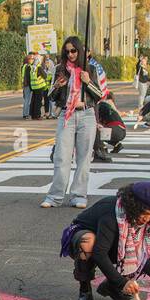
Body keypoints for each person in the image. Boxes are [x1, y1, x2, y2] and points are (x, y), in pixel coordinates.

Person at [59, 182, 150, 300]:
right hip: (84, 237)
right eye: (144, 213)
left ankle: (111, 287)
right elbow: (99, 253)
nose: (147, 219)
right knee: (88, 243)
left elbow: (139, 252)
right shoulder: (111, 213)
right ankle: (85, 290)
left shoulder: (145, 222)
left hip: (113, 242)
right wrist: (122, 282)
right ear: (134, 206)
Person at [40, 36, 101, 209]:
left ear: (79, 51)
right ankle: (55, 196)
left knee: (84, 158)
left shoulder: (90, 69)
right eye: (67, 51)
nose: (70, 54)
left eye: (73, 51)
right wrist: (58, 86)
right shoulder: (60, 69)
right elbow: (50, 96)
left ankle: (79, 195)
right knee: (61, 156)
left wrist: (87, 82)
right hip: (66, 115)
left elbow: (99, 95)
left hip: (86, 114)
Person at [94, 93, 126, 161]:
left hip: (114, 129)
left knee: (94, 132)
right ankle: (117, 145)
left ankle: (102, 150)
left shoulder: (100, 106)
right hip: (121, 130)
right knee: (100, 131)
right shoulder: (106, 105)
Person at [29, 53, 51, 119]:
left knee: (34, 101)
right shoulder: (39, 67)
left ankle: (33, 115)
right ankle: (37, 115)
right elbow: (45, 76)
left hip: (34, 87)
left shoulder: (33, 67)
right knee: (38, 102)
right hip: (39, 86)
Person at [21, 52, 37, 119]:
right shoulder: (29, 67)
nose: (33, 60)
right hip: (28, 85)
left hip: (25, 84)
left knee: (26, 99)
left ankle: (25, 114)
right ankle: (26, 114)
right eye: (32, 59)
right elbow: (29, 77)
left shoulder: (24, 66)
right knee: (28, 100)